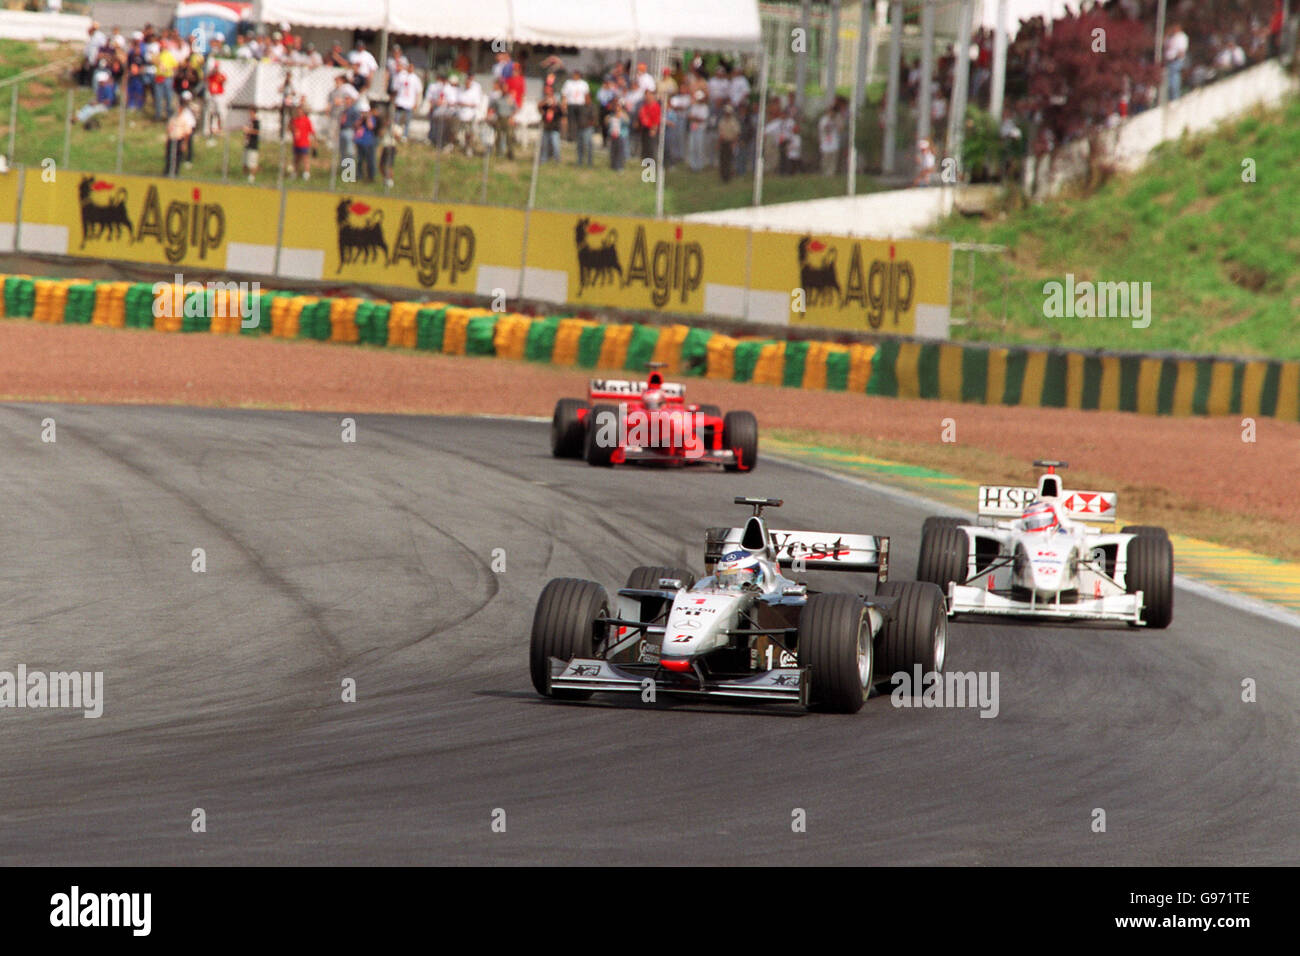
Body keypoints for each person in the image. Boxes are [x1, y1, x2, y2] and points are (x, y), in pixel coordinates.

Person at [163, 93, 194, 175]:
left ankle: (174, 173)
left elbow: (187, 133)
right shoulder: (173, 118)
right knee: (169, 158)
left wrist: (184, 143)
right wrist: (167, 141)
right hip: (171, 140)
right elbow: (169, 130)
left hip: (179, 140)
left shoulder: (184, 119)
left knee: (177, 159)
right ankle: (167, 173)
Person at [487, 79, 516, 160]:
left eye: (506, 88)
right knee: (498, 136)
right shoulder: (497, 98)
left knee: (509, 136)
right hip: (499, 119)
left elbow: (515, 109)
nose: (504, 90)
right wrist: (489, 116)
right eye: (503, 88)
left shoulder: (510, 98)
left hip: (508, 119)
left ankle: (510, 153)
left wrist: (512, 117)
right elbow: (491, 107)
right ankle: (499, 153)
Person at [1164, 22, 1189, 101]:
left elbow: (1181, 51)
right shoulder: (1170, 36)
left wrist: (1175, 58)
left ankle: (1175, 98)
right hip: (1168, 61)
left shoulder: (1181, 37)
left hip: (1175, 61)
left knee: (1174, 80)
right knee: (1167, 82)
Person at [290, 104, 314, 180]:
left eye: (300, 111)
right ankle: (294, 173)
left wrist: (315, 142)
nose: (299, 112)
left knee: (305, 159)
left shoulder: (306, 120)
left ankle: (306, 174)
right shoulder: (295, 120)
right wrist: (293, 130)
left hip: (304, 143)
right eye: (298, 111)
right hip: (296, 143)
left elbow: (312, 131)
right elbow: (291, 129)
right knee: (296, 159)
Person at [539, 88, 563, 163]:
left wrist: (554, 104)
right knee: (544, 145)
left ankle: (557, 159)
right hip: (546, 128)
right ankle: (544, 158)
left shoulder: (557, 106)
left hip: (555, 129)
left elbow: (562, 113)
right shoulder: (545, 106)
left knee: (555, 145)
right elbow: (539, 108)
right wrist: (545, 101)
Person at [717, 104, 740, 182]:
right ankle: (723, 176)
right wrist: (719, 143)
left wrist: (734, 144)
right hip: (723, 142)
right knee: (722, 160)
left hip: (730, 142)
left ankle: (728, 177)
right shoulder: (721, 121)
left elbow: (737, 134)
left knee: (729, 160)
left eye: (728, 112)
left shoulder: (734, 122)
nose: (727, 113)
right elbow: (720, 133)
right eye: (726, 112)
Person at [638, 90, 661, 162]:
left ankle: (652, 163)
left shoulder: (656, 106)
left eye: (649, 95)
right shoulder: (644, 106)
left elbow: (657, 118)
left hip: (652, 129)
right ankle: (646, 162)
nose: (647, 97)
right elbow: (641, 115)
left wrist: (654, 129)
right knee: (646, 146)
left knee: (652, 147)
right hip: (645, 128)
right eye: (646, 95)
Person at [574, 91, 596, 167]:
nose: (585, 99)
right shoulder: (581, 107)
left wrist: (587, 124)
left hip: (588, 129)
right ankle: (580, 161)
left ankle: (590, 162)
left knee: (588, 146)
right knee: (580, 146)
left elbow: (594, 119)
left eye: (587, 97)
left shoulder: (592, 107)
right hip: (580, 128)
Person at [606, 99, 628, 171]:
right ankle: (613, 165)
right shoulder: (612, 115)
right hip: (613, 135)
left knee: (620, 151)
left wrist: (622, 117)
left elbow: (627, 122)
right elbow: (608, 123)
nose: (616, 108)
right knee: (613, 151)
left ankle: (620, 166)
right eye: (616, 106)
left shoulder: (624, 115)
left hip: (621, 136)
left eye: (618, 106)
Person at [378, 111, 396, 187]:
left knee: (389, 165)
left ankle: (390, 181)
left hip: (391, 147)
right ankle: (386, 179)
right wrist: (385, 127)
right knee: (381, 165)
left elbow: (398, 136)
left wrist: (392, 130)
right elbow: (380, 134)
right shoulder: (383, 128)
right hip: (385, 147)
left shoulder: (394, 127)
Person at [243, 112, 260, 182]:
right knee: (245, 163)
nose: (250, 114)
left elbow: (257, 131)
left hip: (253, 146)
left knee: (253, 163)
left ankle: (252, 177)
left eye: (251, 113)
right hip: (247, 145)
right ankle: (245, 177)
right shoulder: (248, 122)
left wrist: (249, 131)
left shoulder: (256, 122)